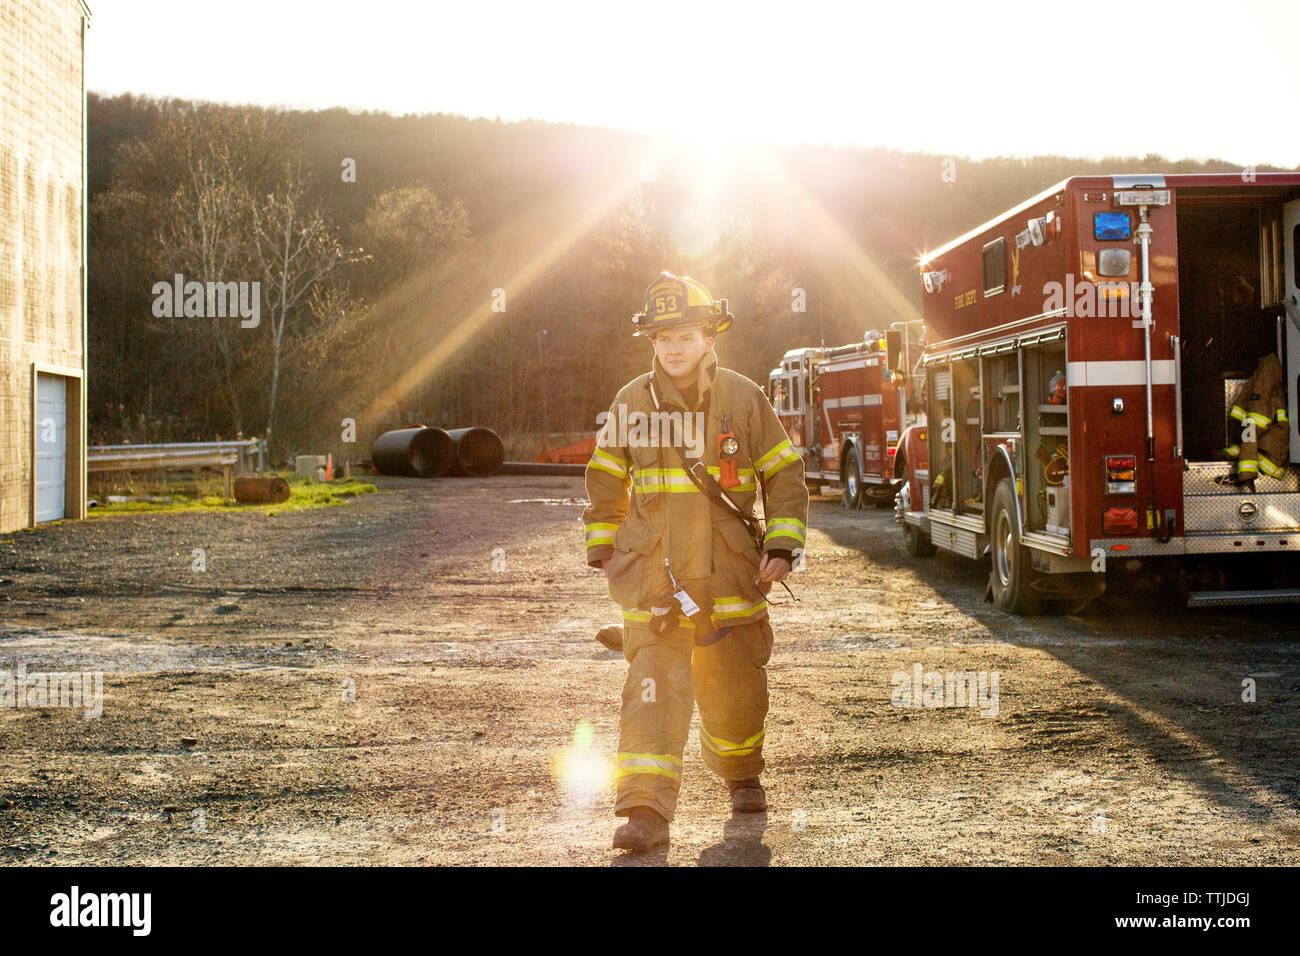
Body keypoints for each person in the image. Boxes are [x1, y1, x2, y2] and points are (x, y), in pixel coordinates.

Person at [581, 272, 810, 851]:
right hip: (654, 585)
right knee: (652, 691)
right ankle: (644, 812)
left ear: (709, 337)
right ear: (652, 343)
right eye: (662, 337)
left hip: (731, 581)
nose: (673, 346)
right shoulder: (630, 402)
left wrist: (782, 544)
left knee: (734, 695)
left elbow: (783, 471)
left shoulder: (742, 397)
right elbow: (606, 478)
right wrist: (605, 552)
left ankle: (740, 774)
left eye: (684, 334)